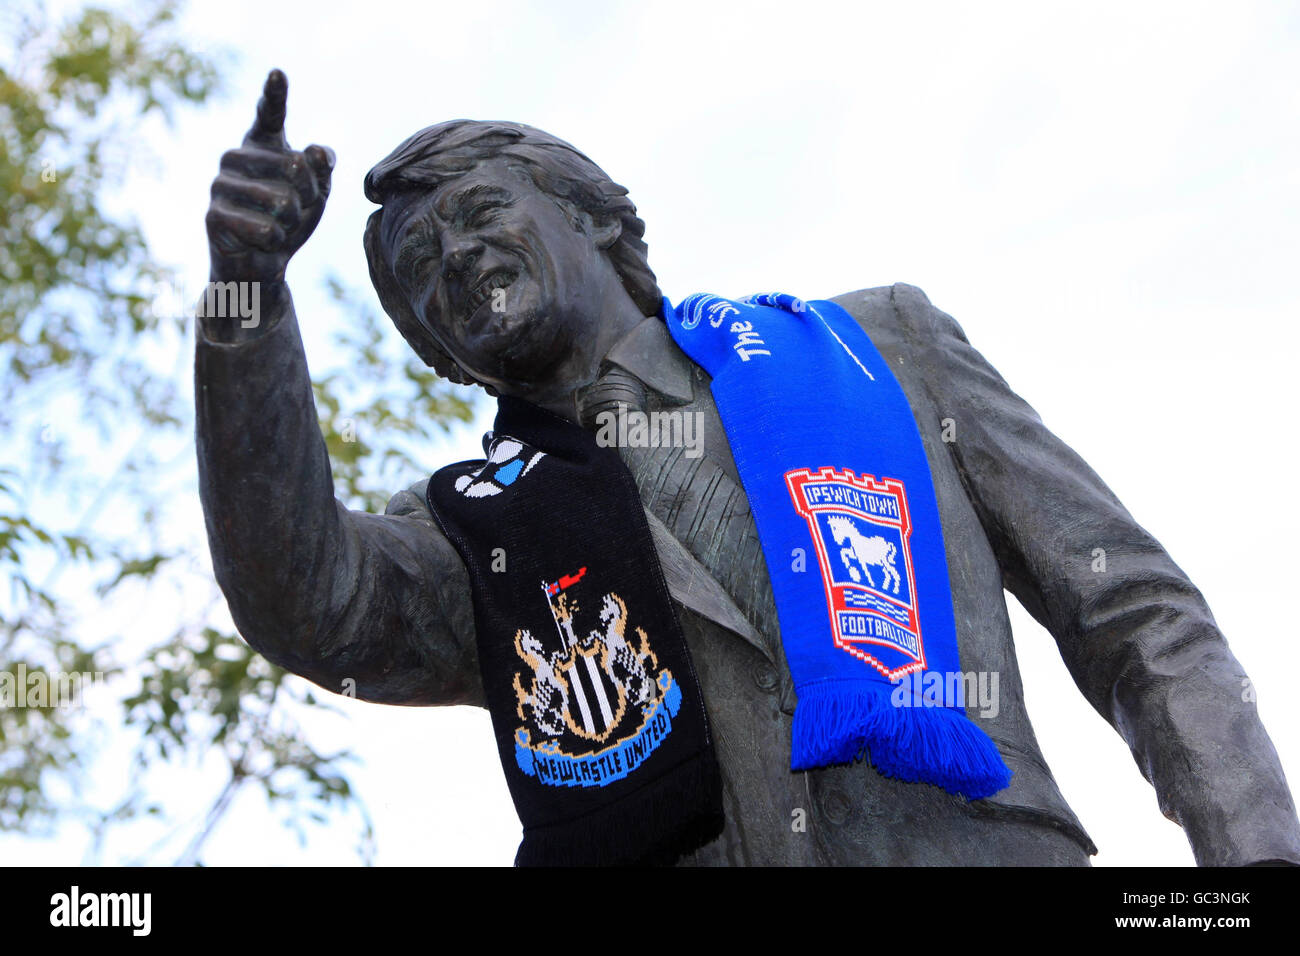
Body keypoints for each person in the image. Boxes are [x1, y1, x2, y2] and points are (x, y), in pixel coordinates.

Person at [197, 70, 1300, 865]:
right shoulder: (474, 533)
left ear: (593, 215)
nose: (457, 259)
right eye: (421, 272)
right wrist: (247, 293)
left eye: (482, 212)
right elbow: (309, 604)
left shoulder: (880, 354)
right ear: (437, 351)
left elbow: (1134, 612)